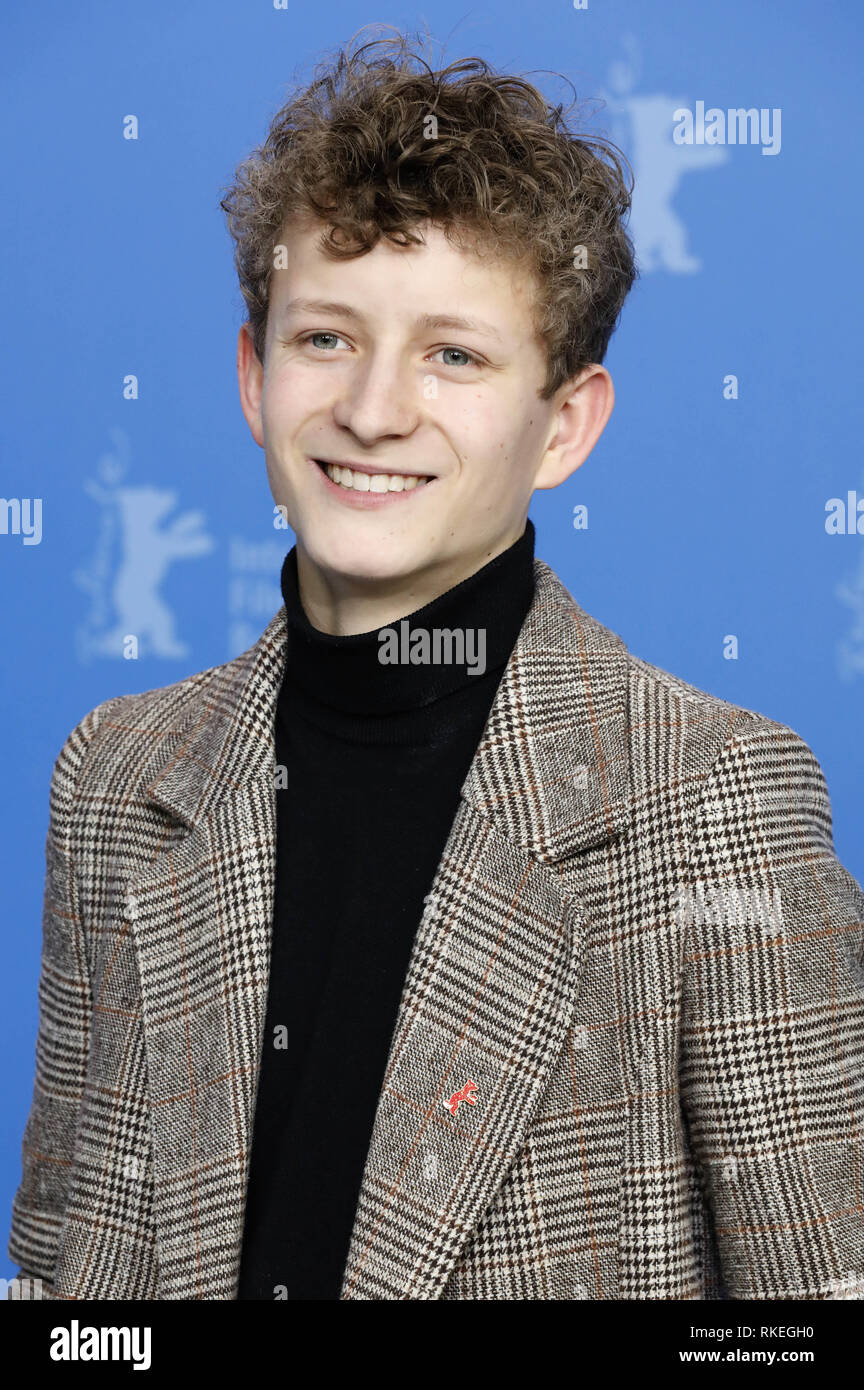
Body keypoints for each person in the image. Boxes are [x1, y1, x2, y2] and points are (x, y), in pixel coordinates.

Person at [8, 31, 864, 1302]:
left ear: (564, 424)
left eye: (454, 355)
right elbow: (66, 1283)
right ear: (253, 377)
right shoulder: (119, 776)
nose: (372, 409)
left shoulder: (714, 800)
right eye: (326, 340)